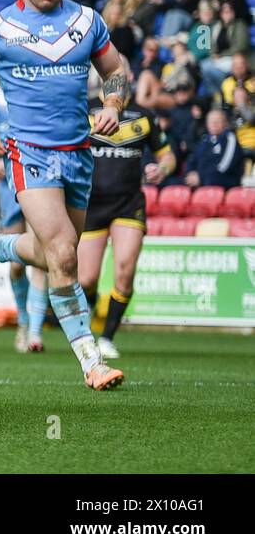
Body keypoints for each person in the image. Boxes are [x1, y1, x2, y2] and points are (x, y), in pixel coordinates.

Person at [0, 0, 130, 392]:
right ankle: (91, 361)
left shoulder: (87, 22)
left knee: (50, 250)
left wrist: (113, 105)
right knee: (64, 254)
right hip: (29, 155)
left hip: (79, 155)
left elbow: (116, 69)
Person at [80, 86, 175, 360]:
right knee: (86, 278)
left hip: (128, 203)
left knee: (124, 270)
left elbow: (167, 155)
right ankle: (90, 316)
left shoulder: (144, 116)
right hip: (91, 204)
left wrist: (163, 169)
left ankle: (107, 337)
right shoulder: (84, 109)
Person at [0, 84, 45, 353]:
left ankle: (36, 334)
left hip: (40, 182)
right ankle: (24, 322)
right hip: (8, 185)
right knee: (17, 264)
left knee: (41, 255)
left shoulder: (38, 88)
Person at [185, 109, 245, 189]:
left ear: (225, 123)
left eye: (218, 121)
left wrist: (201, 177)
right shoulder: (205, 140)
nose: (214, 124)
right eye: (211, 121)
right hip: (203, 179)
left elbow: (224, 167)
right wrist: (190, 173)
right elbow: (192, 159)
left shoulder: (230, 138)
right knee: (177, 183)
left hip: (225, 180)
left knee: (211, 180)